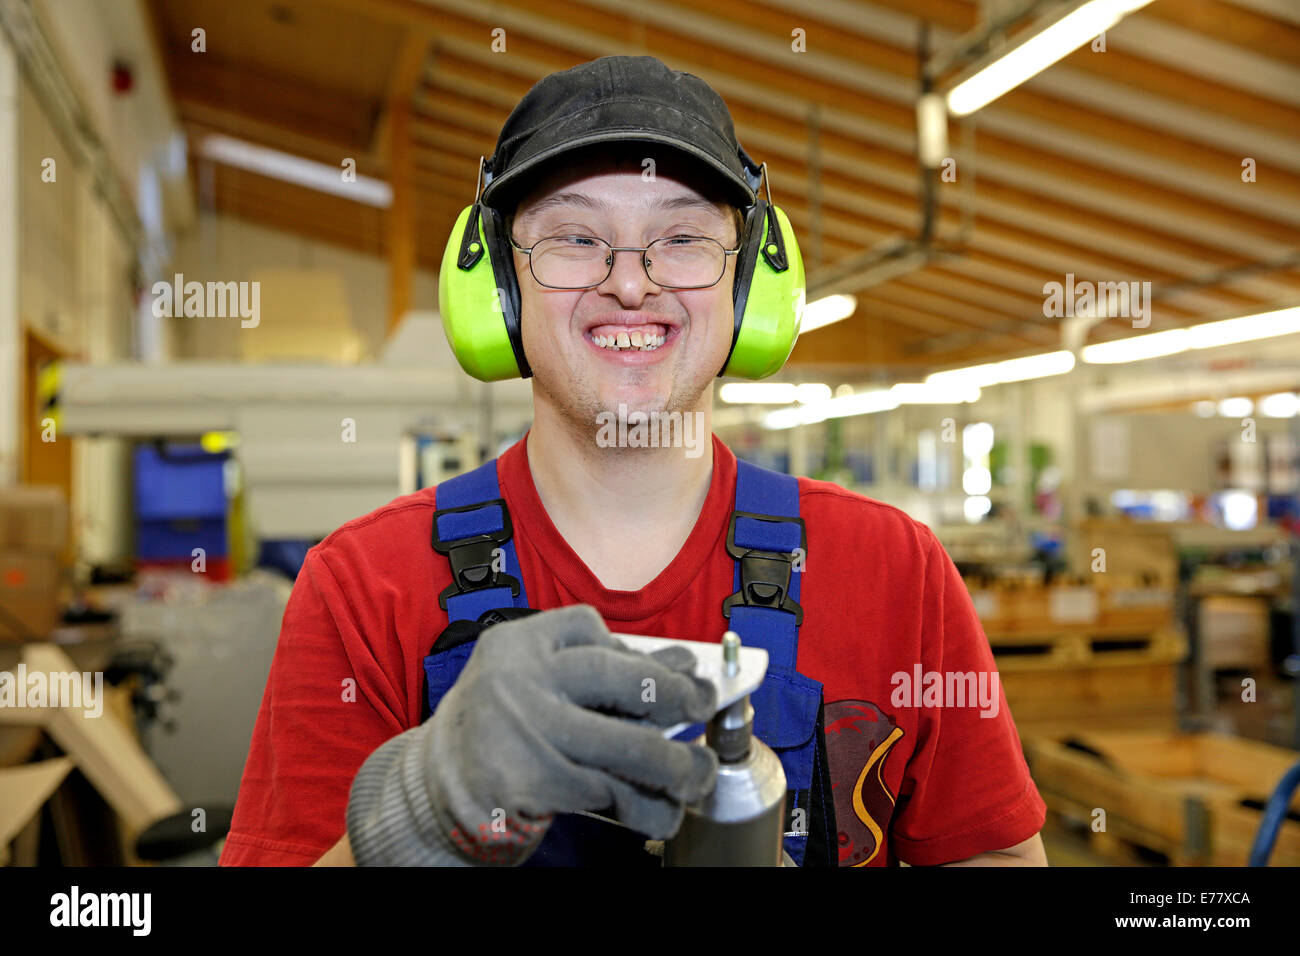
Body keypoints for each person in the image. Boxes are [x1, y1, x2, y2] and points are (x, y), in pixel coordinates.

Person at [220, 55, 1047, 868]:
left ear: (749, 285)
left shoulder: (895, 572)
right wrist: (421, 810)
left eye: (682, 238)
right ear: (499, 287)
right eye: (575, 237)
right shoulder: (364, 586)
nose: (629, 284)